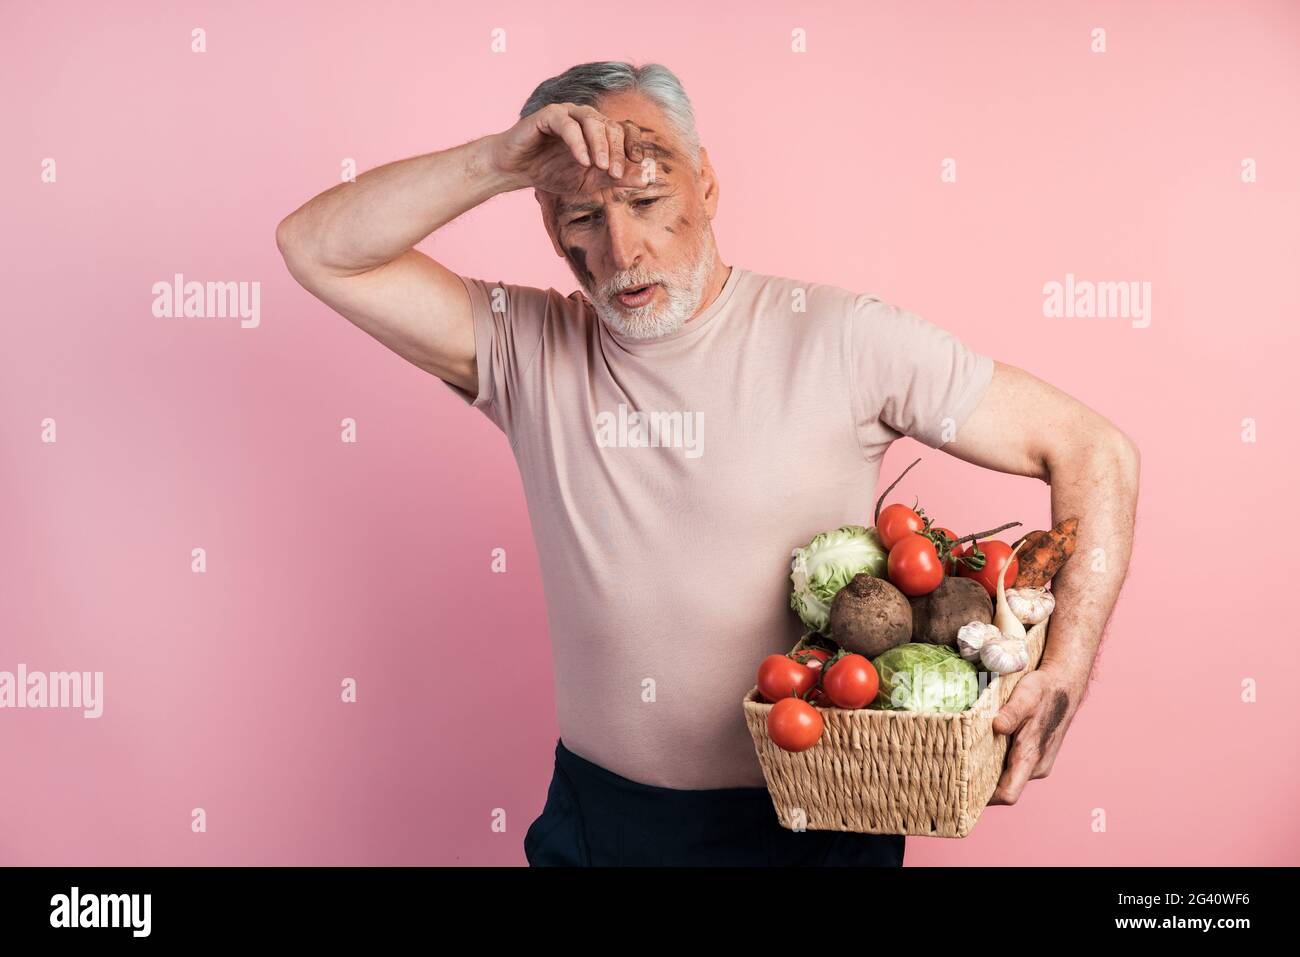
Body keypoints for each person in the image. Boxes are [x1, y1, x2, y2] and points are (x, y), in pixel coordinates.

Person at [275, 61, 1140, 866]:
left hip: (818, 817)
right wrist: (499, 162)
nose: (622, 249)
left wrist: (1062, 668)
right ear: (550, 229)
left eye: (648, 199)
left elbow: (1093, 449)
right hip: (600, 826)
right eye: (582, 215)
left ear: (708, 183)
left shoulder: (843, 338)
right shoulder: (525, 345)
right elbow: (317, 246)